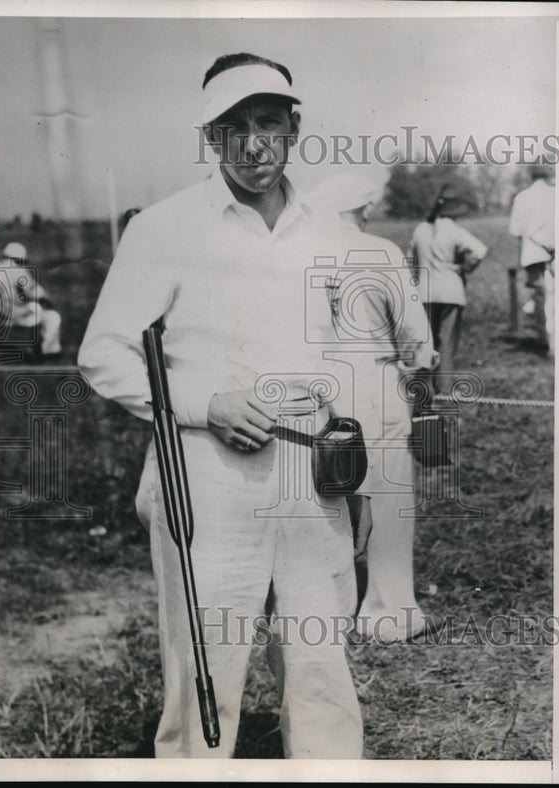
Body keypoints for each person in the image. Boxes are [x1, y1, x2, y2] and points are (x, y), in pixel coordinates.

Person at [78, 53, 364, 759]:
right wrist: (205, 404)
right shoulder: (166, 227)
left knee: (321, 671)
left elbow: (355, 357)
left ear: (294, 128)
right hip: (205, 475)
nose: (254, 143)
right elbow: (103, 353)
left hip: (312, 477)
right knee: (205, 678)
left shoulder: (330, 230)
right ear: (210, 138)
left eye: (269, 122)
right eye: (233, 128)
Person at [311, 174, 438, 643]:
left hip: (316, 385)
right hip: (375, 382)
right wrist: (422, 361)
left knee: (326, 493)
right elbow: (413, 334)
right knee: (386, 497)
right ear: (357, 211)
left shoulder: (298, 252)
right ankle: (388, 613)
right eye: (364, 207)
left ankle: (325, 611)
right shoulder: (379, 251)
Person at [407, 182, 488, 395]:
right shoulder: (455, 230)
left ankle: (423, 392)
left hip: (424, 292)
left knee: (426, 343)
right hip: (451, 292)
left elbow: (409, 261)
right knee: (447, 344)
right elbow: (480, 250)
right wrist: (463, 267)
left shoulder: (421, 229)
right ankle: (443, 391)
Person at [508, 163, 555, 355]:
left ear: (531, 177)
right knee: (557, 295)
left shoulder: (522, 197)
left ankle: (546, 340)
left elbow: (515, 230)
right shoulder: (557, 193)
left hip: (533, 253)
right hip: (557, 251)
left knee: (542, 296)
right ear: (548, 176)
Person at [0, 241, 62, 360]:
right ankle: (47, 351)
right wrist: (48, 301)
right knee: (52, 316)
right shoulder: (18, 271)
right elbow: (35, 293)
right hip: (16, 315)